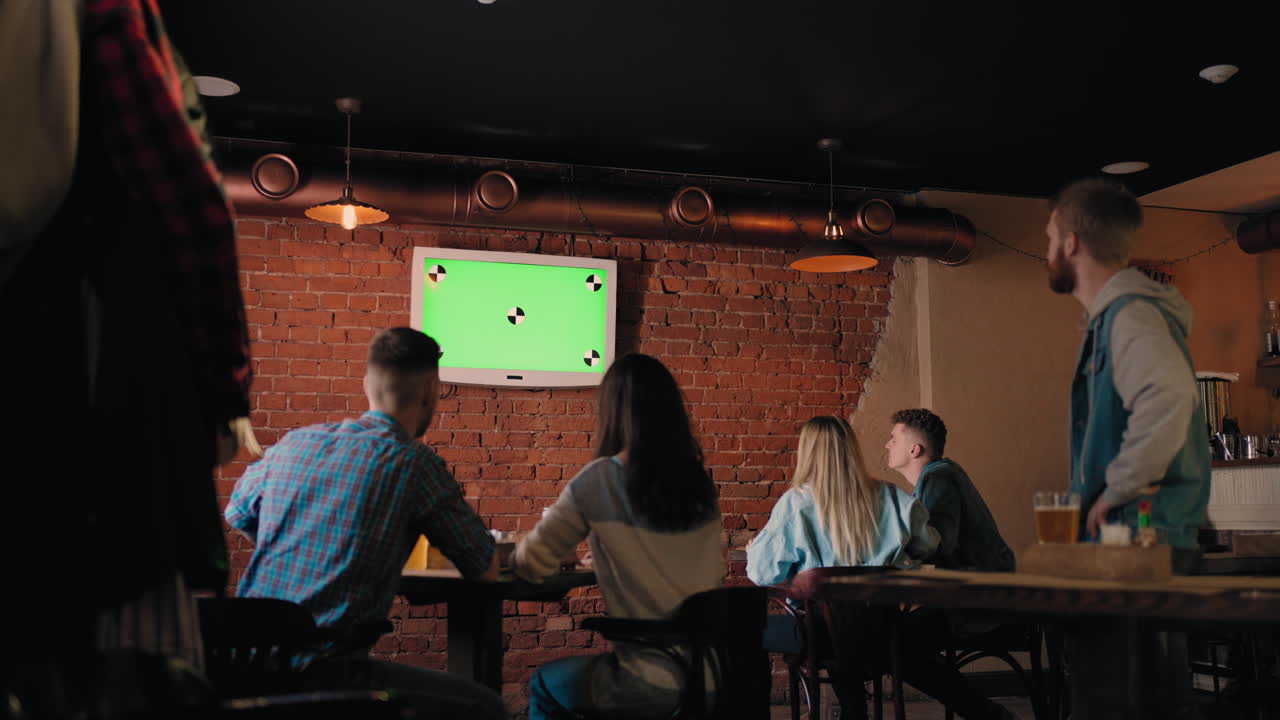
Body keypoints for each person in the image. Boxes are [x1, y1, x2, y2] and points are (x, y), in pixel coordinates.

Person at [225, 327, 505, 720]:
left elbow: (236, 513)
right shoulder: (414, 463)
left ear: (366, 384)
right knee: (486, 707)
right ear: (430, 391)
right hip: (323, 674)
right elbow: (485, 568)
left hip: (241, 669)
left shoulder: (296, 443)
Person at [748, 416, 1013, 720]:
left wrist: (756, 550)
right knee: (879, 635)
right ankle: (986, 713)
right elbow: (929, 544)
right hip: (881, 625)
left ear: (806, 452)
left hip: (822, 632)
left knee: (753, 629)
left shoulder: (795, 503)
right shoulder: (890, 497)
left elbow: (762, 573)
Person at [512, 354, 724, 720]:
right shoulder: (699, 484)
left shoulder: (601, 479)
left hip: (648, 684)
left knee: (544, 683)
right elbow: (678, 564)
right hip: (712, 678)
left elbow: (531, 564)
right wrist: (612, 558)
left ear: (611, 411)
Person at [1044, 177, 1210, 567]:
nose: (1047, 252)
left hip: (1141, 537)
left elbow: (1169, 397)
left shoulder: (1131, 316)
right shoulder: (1116, 318)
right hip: (1133, 535)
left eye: (1050, 239)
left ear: (1071, 244)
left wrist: (1116, 490)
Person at [884, 409, 1014, 573]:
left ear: (914, 450)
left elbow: (937, 545)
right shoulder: (940, 474)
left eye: (894, 440)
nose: (887, 445)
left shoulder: (937, 478)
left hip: (985, 583)